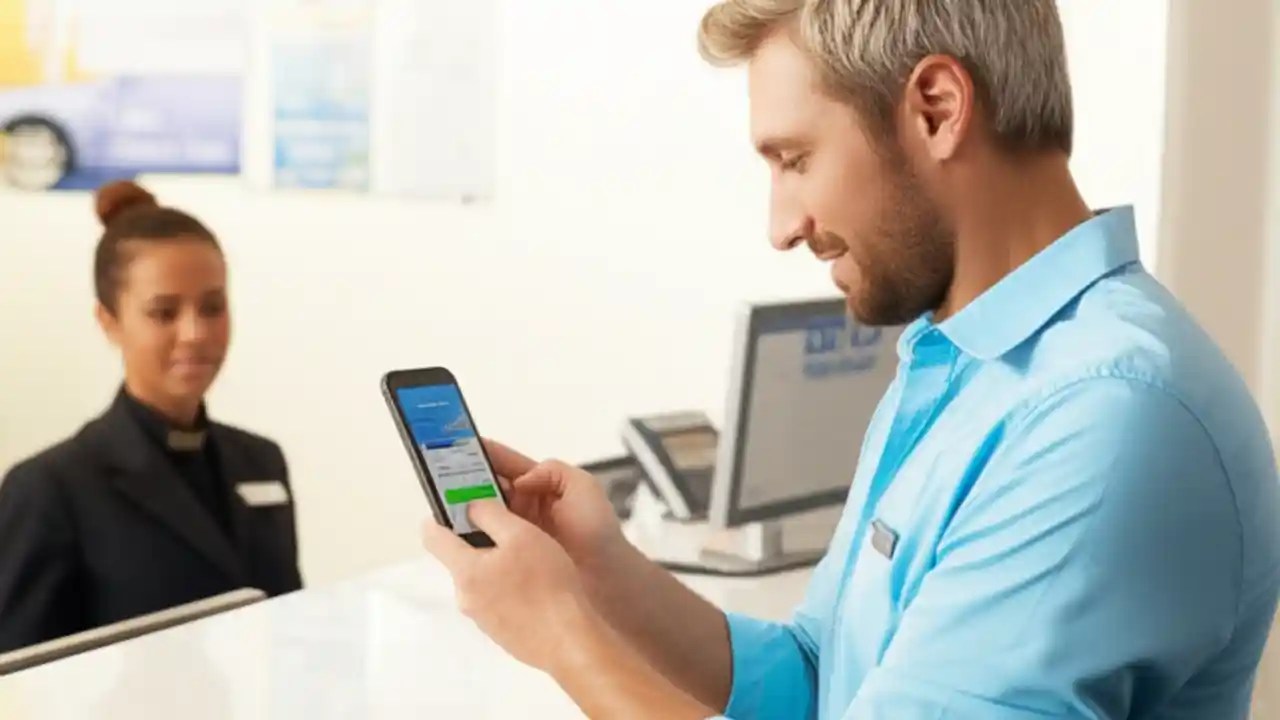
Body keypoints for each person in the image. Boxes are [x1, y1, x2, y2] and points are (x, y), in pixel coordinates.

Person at [420, 1, 1280, 719]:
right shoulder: (960, 361)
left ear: (938, 108)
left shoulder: (1108, 417)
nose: (781, 224)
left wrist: (561, 634)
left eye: (796, 160)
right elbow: (818, 675)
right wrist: (600, 576)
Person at [0, 181, 303, 654]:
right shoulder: (49, 489)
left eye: (213, 306)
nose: (194, 333)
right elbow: (17, 685)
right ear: (109, 321)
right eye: (163, 312)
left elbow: (288, 632)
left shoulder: (261, 460)